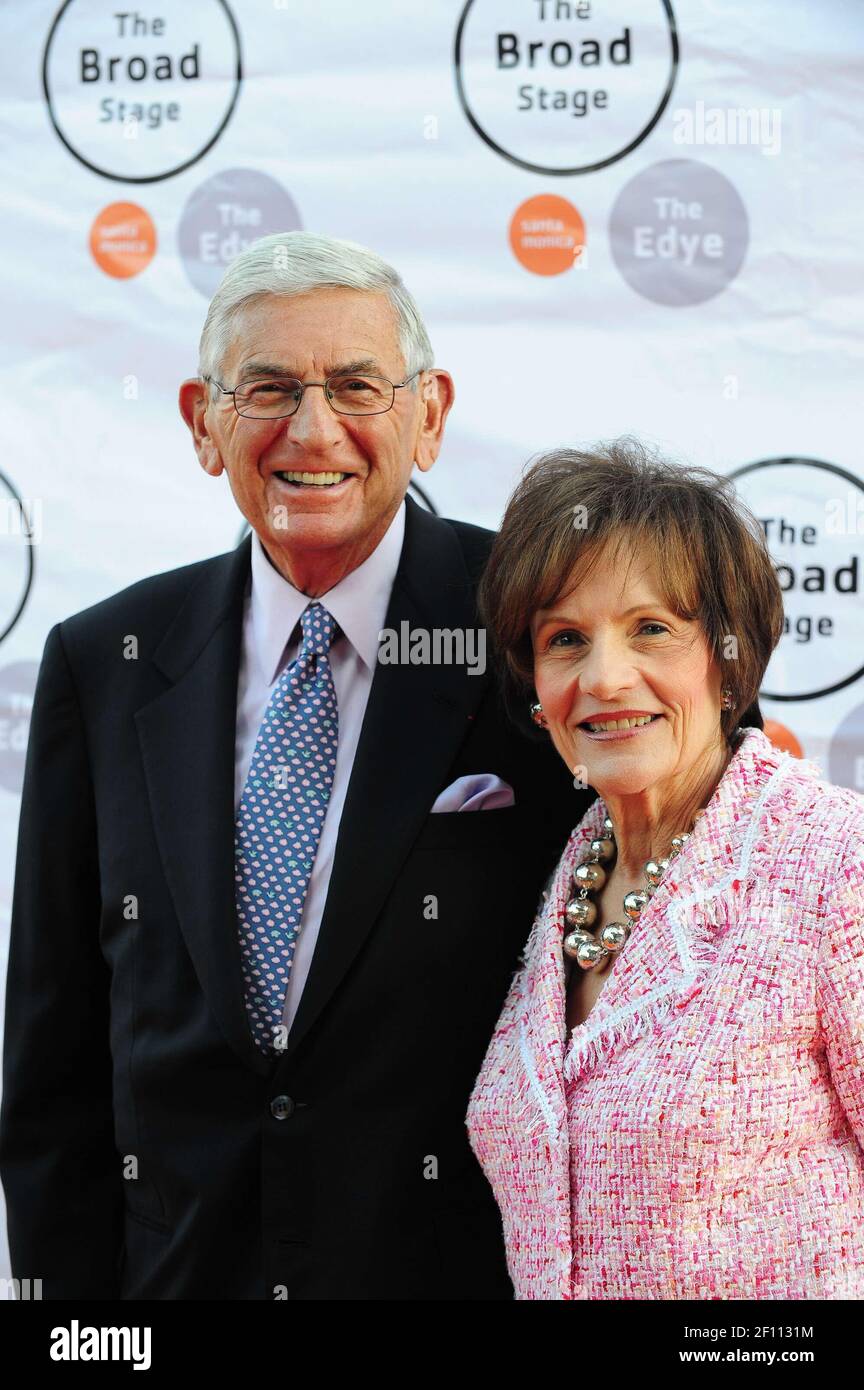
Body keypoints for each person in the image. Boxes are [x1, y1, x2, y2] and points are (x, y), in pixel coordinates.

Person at [0, 231, 585, 1300]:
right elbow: (54, 1075)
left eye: (357, 385)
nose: (313, 430)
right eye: (267, 388)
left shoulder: (546, 625)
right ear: (203, 424)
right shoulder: (107, 663)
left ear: (431, 412)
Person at [466, 439, 864, 1300]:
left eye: (651, 628)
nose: (605, 677)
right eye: (565, 638)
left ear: (727, 660)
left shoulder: (835, 860)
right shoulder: (567, 873)